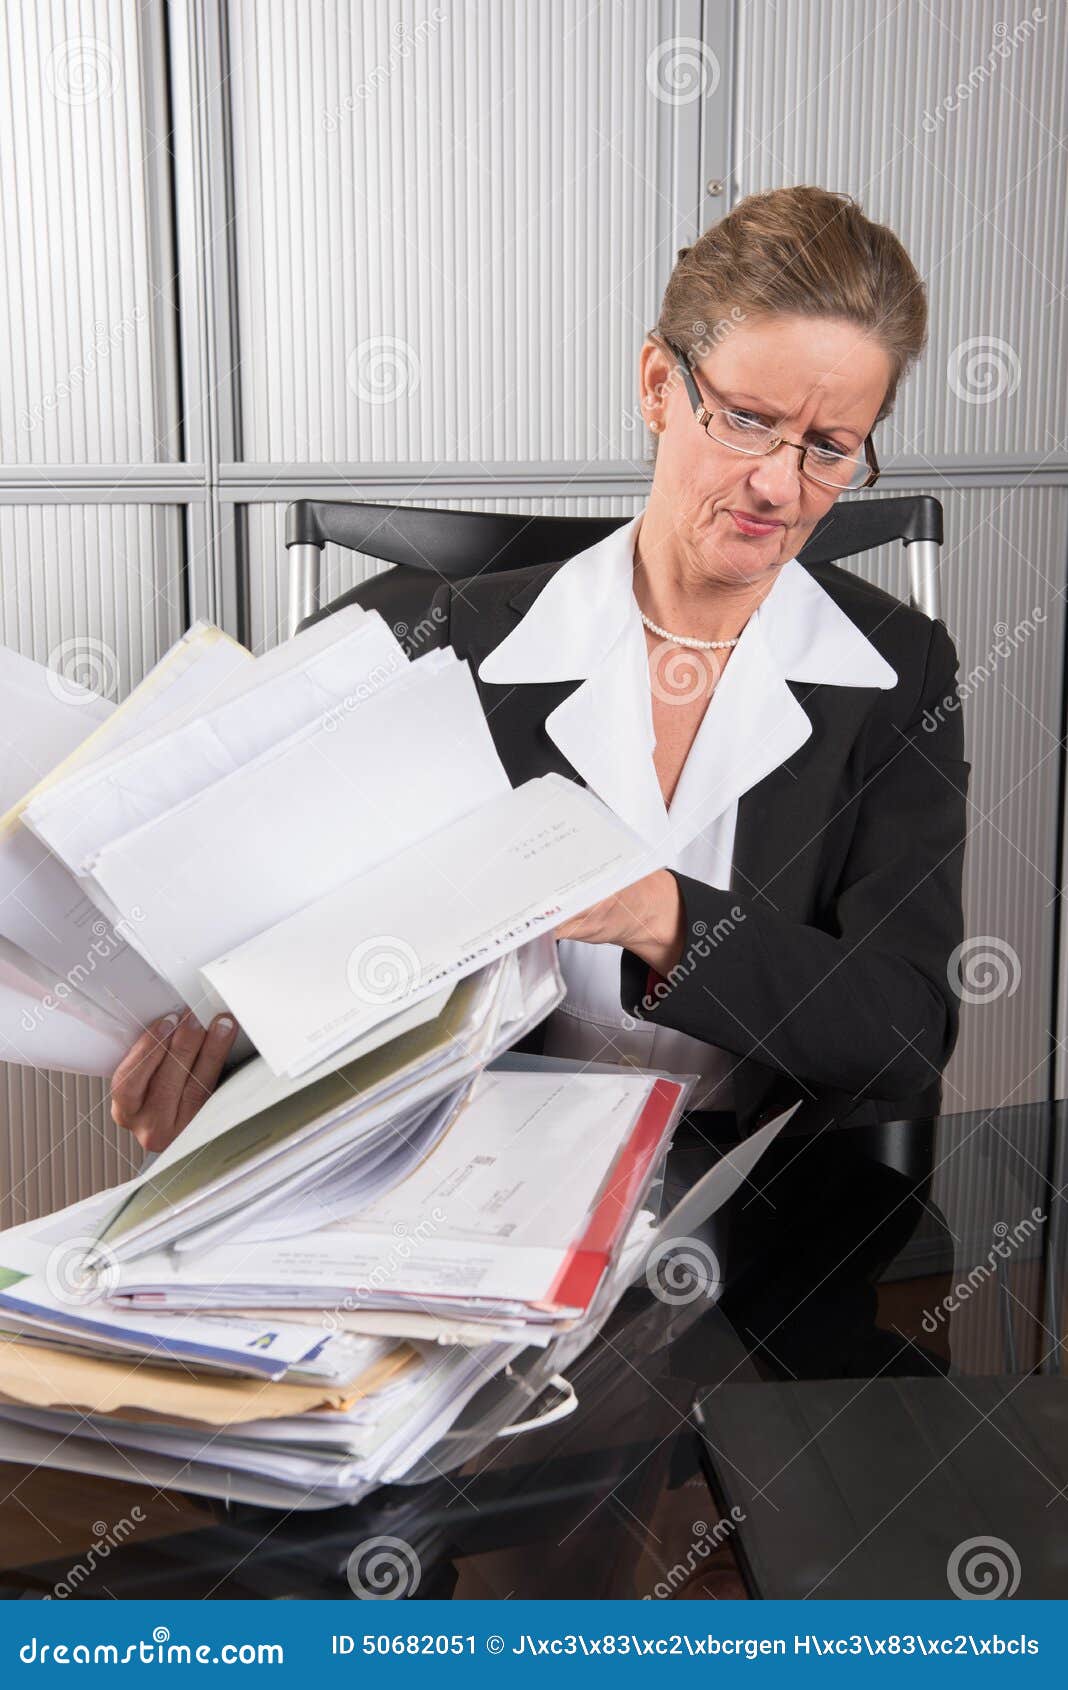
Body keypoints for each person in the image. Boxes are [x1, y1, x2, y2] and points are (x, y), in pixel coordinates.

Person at [110, 184, 970, 1155]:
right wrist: (221, 1093)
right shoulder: (437, 642)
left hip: (764, 1208)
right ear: (657, 384)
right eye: (745, 419)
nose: (779, 484)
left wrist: (663, 912)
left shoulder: (900, 669)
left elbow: (901, 1031)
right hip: (459, 1176)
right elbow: (314, 946)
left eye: (830, 448)